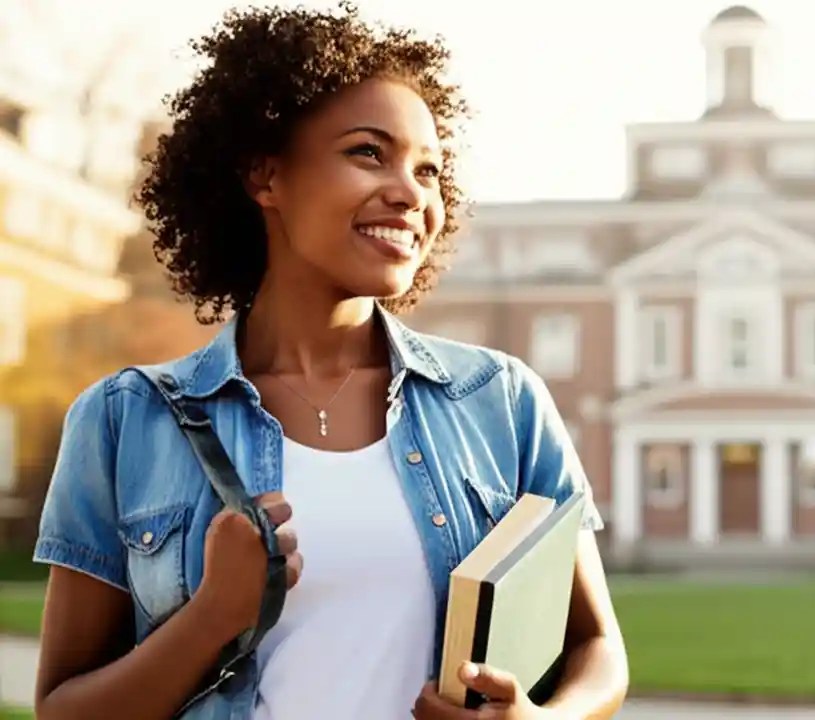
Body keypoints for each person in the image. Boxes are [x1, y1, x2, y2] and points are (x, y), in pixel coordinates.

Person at [29, 4, 629, 719]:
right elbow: (63, 709)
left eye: (429, 170)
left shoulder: (501, 402)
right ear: (265, 175)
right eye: (369, 153)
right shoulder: (125, 420)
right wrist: (213, 616)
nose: (412, 194)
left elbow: (599, 650)